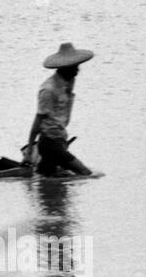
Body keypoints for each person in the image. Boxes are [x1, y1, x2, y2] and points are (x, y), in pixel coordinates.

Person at [24, 42, 94, 177]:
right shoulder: (48, 90)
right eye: (74, 67)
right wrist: (29, 151)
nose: (78, 71)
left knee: (47, 178)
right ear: (64, 68)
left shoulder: (68, 82)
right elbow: (38, 119)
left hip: (59, 140)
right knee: (86, 174)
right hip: (50, 143)